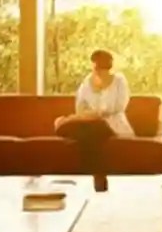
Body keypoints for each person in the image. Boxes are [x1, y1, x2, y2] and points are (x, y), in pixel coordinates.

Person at [54, 49, 134, 191]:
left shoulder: (119, 81)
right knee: (90, 132)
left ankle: (94, 176)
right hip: (90, 123)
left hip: (114, 124)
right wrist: (87, 115)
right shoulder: (87, 82)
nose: (96, 68)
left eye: (100, 65)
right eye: (95, 64)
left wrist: (97, 113)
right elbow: (80, 107)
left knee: (93, 131)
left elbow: (119, 106)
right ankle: (97, 177)